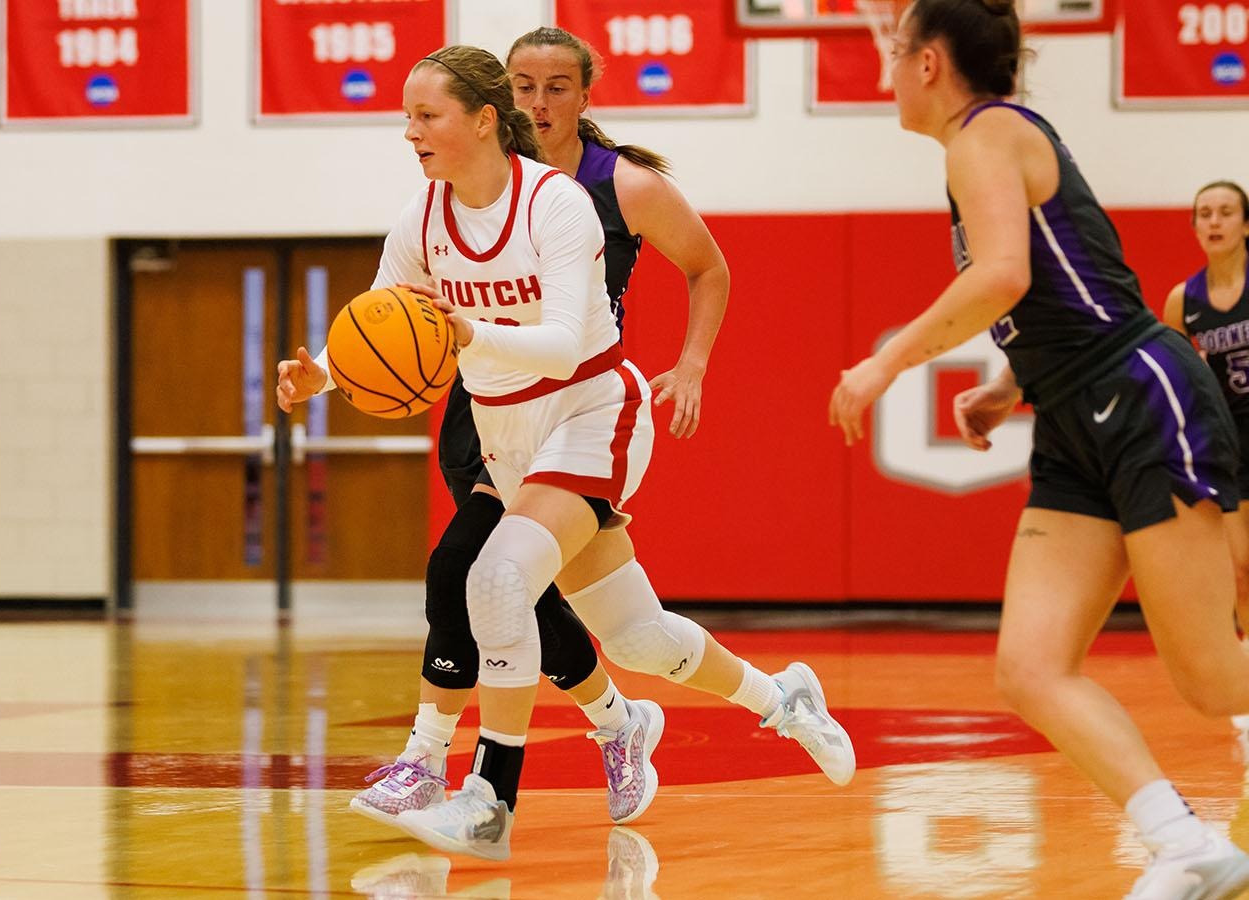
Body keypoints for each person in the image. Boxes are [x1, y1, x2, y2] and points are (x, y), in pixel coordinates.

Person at [280, 43, 853, 861]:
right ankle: (783, 698)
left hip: (590, 411)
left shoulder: (558, 205)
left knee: (497, 575)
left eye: (425, 115)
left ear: (482, 121)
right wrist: (324, 374)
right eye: (407, 115)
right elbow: (383, 324)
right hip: (507, 433)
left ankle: (486, 798)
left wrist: (467, 331)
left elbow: (558, 345)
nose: (409, 131)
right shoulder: (422, 219)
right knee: (637, 640)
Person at [828, 2, 1249, 896]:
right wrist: (1011, 384)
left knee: (1214, 681)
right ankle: (1184, 844)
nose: (885, 71)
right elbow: (1071, 277)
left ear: (932, 63)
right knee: (1030, 666)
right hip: (1069, 413)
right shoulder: (982, 145)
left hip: (1140, 396)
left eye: (894, 52)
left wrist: (885, 363)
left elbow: (1004, 275)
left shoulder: (986, 134)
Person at [1160, 180, 1249, 739]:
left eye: (1226, 212)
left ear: (1245, 224)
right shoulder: (1182, 300)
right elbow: (1173, 377)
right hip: (1226, 444)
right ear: (1195, 227)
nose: (1214, 221)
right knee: (1238, 570)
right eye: (1204, 213)